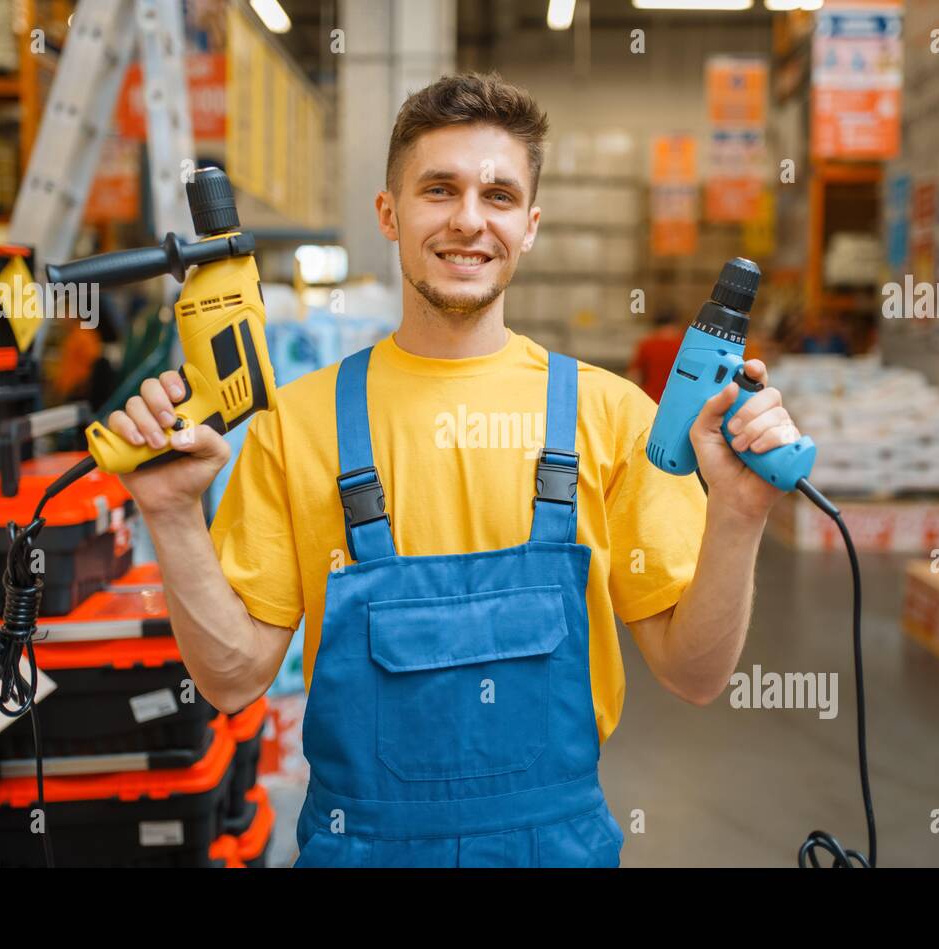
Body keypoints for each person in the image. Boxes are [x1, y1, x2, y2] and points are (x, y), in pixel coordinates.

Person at [106, 72, 804, 868]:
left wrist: (740, 517)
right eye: (439, 189)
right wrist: (170, 512)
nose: (469, 220)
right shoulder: (293, 424)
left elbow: (696, 672)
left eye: (498, 195)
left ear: (531, 224)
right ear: (389, 213)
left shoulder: (612, 419)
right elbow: (232, 680)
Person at [626, 309, 684, 403]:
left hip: (650, 401)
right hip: (677, 401)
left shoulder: (647, 344)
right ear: (677, 322)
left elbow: (635, 377)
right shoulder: (685, 345)